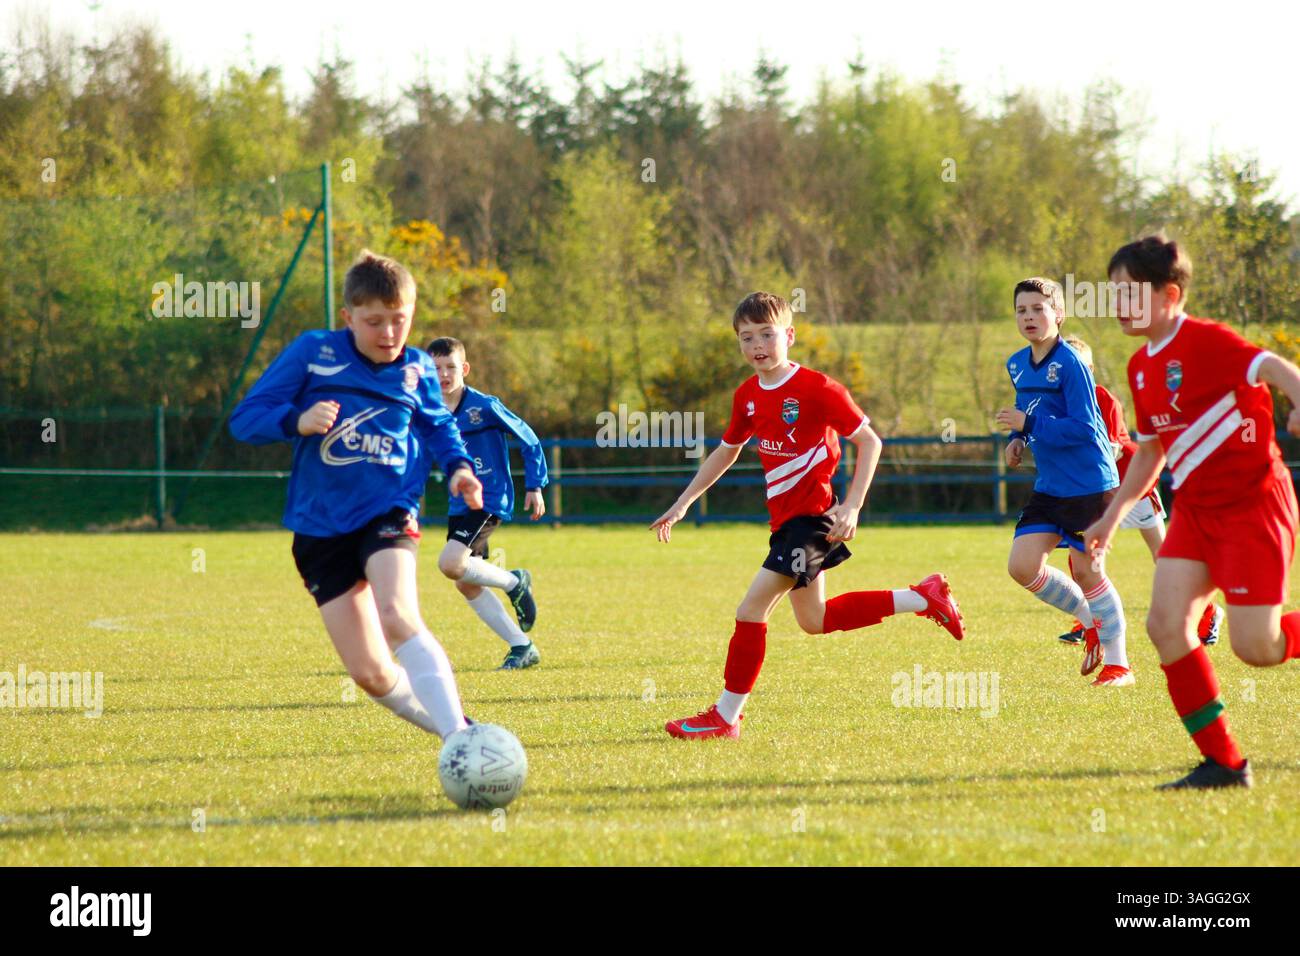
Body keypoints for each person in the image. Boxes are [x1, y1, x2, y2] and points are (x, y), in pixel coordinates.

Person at [650, 292, 965, 741]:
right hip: (786, 525)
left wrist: (853, 505)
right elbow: (726, 451)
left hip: (812, 522)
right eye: (746, 337)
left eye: (766, 334)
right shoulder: (748, 396)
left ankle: (725, 716)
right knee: (813, 620)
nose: (757, 344)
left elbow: (870, 443)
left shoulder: (819, 389)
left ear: (790, 336)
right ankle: (922, 596)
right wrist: (682, 503)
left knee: (751, 609)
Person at [230, 250, 482, 740]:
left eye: (399, 321)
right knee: (370, 674)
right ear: (348, 318)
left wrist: (459, 469)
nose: (389, 334)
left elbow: (438, 428)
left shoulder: (416, 370)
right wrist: (295, 421)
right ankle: (459, 730)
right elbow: (245, 419)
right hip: (318, 527)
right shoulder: (313, 352)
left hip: (388, 509)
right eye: (374, 322)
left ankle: (461, 742)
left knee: (397, 614)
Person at [1084, 235, 1300, 789]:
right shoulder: (1139, 366)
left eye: (1129, 293)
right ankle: (1225, 764)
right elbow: (1152, 451)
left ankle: (1225, 762)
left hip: (1254, 507)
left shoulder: (1207, 341)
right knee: (1165, 625)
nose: (1118, 304)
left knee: (1257, 648)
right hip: (1198, 514)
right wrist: (1111, 518)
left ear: (1169, 294)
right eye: (1114, 293)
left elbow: (1272, 365)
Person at [995, 278, 1131, 686]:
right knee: (1021, 566)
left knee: (1087, 573)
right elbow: (1027, 407)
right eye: (1022, 310)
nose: (1030, 317)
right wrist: (1017, 439)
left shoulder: (1070, 362)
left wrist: (1030, 424)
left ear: (1059, 314)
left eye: (1039, 309)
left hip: (1089, 485)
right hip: (1051, 486)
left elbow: (1088, 428)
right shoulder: (1017, 363)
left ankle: (1119, 665)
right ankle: (1091, 622)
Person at [1055, 335, 1222, 647]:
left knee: (1164, 556)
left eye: (1074, 368)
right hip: (1094, 491)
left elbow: (1115, 448)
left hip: (1131, 481)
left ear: (1088, 369)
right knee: (1086, 555)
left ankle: (1208, 612)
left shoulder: (1104, 400)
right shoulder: (1058, 404)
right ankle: (1089, 621)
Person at [427, 336, 547, 670]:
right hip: (458, 504)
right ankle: (521, 646)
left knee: (450, 563)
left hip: (489, 498)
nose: (443, 374)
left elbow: (530, 439)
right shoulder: (429, 412)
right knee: (466, 582)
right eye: (435, 368)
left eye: (450, 366)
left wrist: (535, 486)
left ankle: (514, 582)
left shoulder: (485, 406)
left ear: (464, 368)